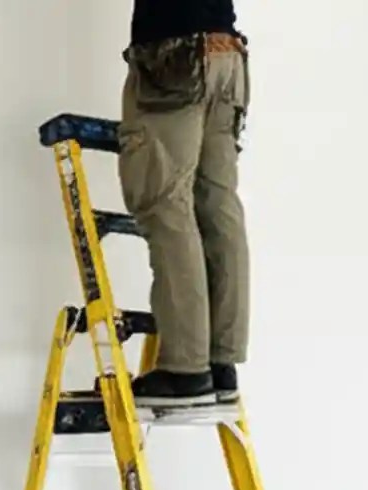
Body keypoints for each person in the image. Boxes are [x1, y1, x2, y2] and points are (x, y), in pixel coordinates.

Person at [118, 0, 250, 408]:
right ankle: (220, 361)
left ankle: (185, 368)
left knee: (165, 203)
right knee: (217, 204)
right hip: (227, 54)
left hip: (174, 54)